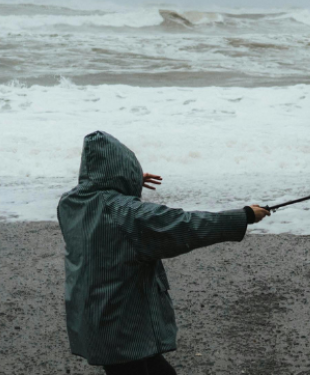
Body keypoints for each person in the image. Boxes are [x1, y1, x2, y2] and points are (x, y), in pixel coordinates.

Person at [57, 131, 270, 375]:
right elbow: (186, 225)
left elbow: (95, 192)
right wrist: (244, 216)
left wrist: (129, 182)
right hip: (122, 323)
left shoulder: (69, 204)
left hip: (92, 316)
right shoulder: (125, 213)